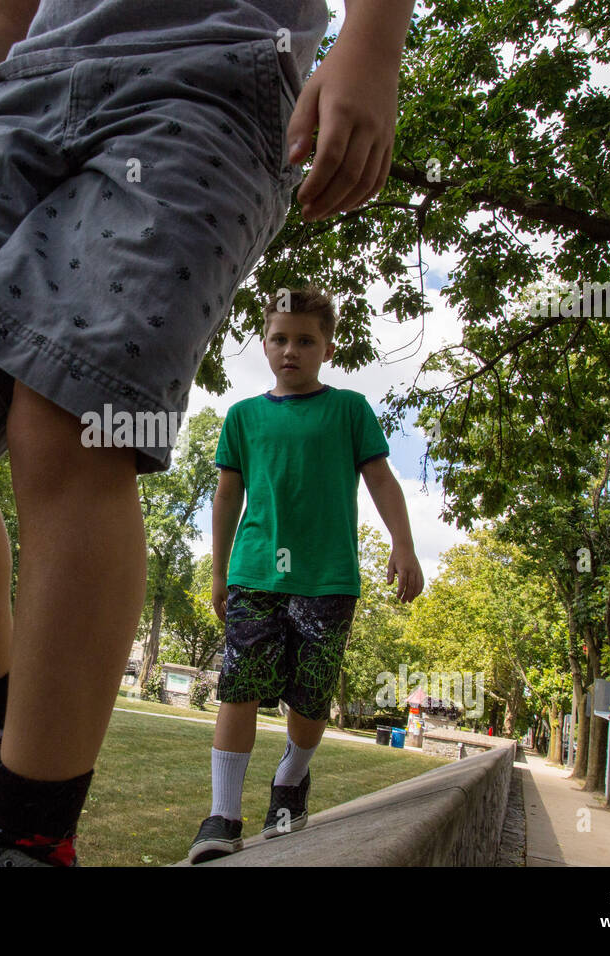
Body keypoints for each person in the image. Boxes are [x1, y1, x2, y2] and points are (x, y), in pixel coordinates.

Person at [0, 0, 415, 867]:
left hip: (209, 81)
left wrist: (371, 44)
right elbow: (10, 10)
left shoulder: (343, 411)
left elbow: (367, 478)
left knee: (72, 422)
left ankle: (28, 830)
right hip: (24, 92)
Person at [188, 284, 423, 863]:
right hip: (254, 575)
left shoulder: (349, 410)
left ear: (327, 348)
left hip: (329, 578)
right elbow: (225, 497)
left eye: (305, 340)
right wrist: (219, 575)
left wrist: (405, 546)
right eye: (279, 338)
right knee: (238, 689)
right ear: (264, 344)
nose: (290, 350)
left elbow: (382, 481)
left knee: (311, 701)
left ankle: (290, 780)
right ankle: (222, 817)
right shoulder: (242, 417)